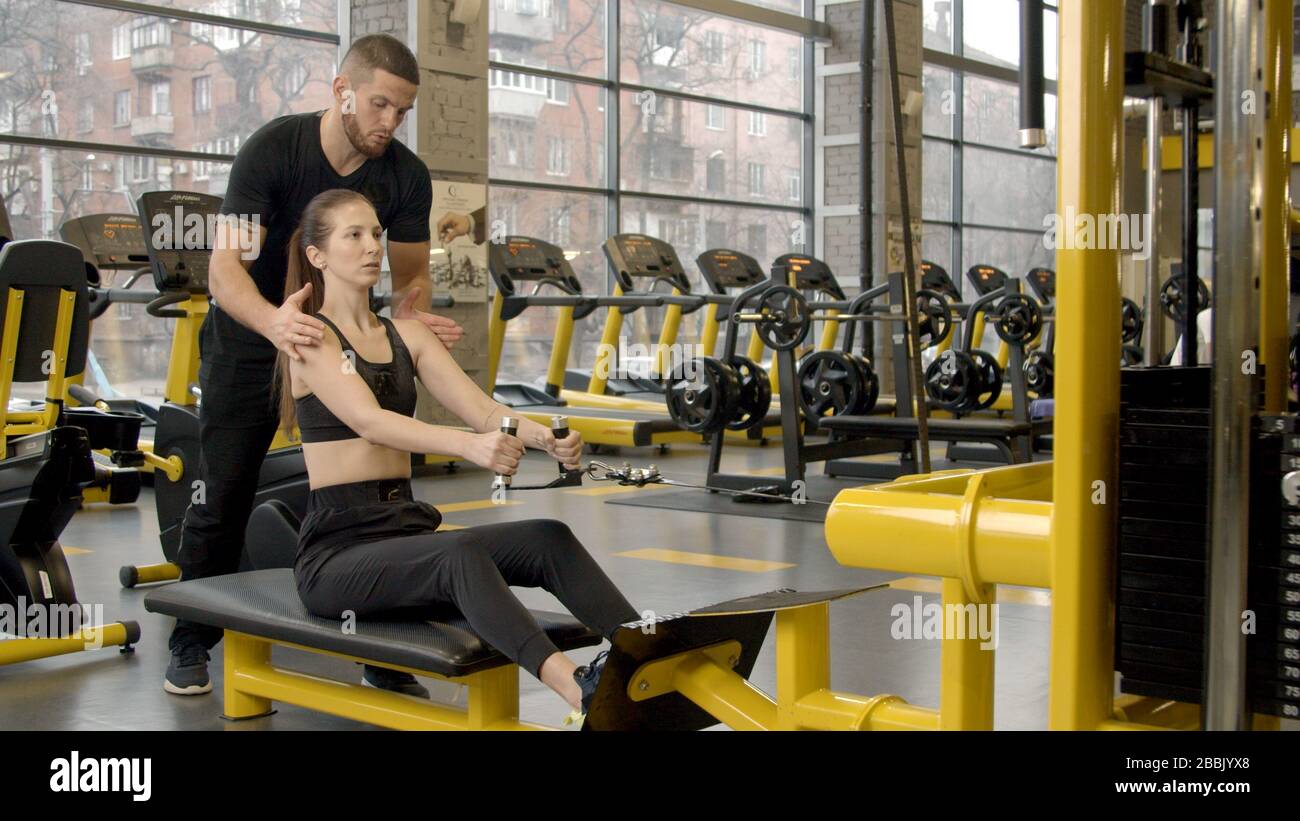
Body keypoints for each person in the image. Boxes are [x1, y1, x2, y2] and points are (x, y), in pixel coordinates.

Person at [165, 33, 466, 697]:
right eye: (380, 104)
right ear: (342, 92)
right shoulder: (274, 150)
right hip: (252, 338)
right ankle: (190, 638)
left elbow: (411, 279)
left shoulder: (406, 176)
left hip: (344, 344)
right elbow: (225, 270)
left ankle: (380, 643)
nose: (391, 121)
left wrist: (412, 319)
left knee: (373, 494)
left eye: (403, 110)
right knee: (223, 494)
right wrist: (274, 323)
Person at [281, 188, 637, 718]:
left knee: (547, 538)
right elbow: (368, 421)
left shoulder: (407, 335)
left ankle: (646, 652)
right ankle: (578, 688)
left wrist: (545, 438)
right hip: (337, 556)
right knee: (458, 554)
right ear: (318, 255)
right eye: (353, 235)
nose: (372, 246)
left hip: (404, 533)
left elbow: (484, 411)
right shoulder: (311, 338)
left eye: (375, 233)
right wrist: (468, 446)